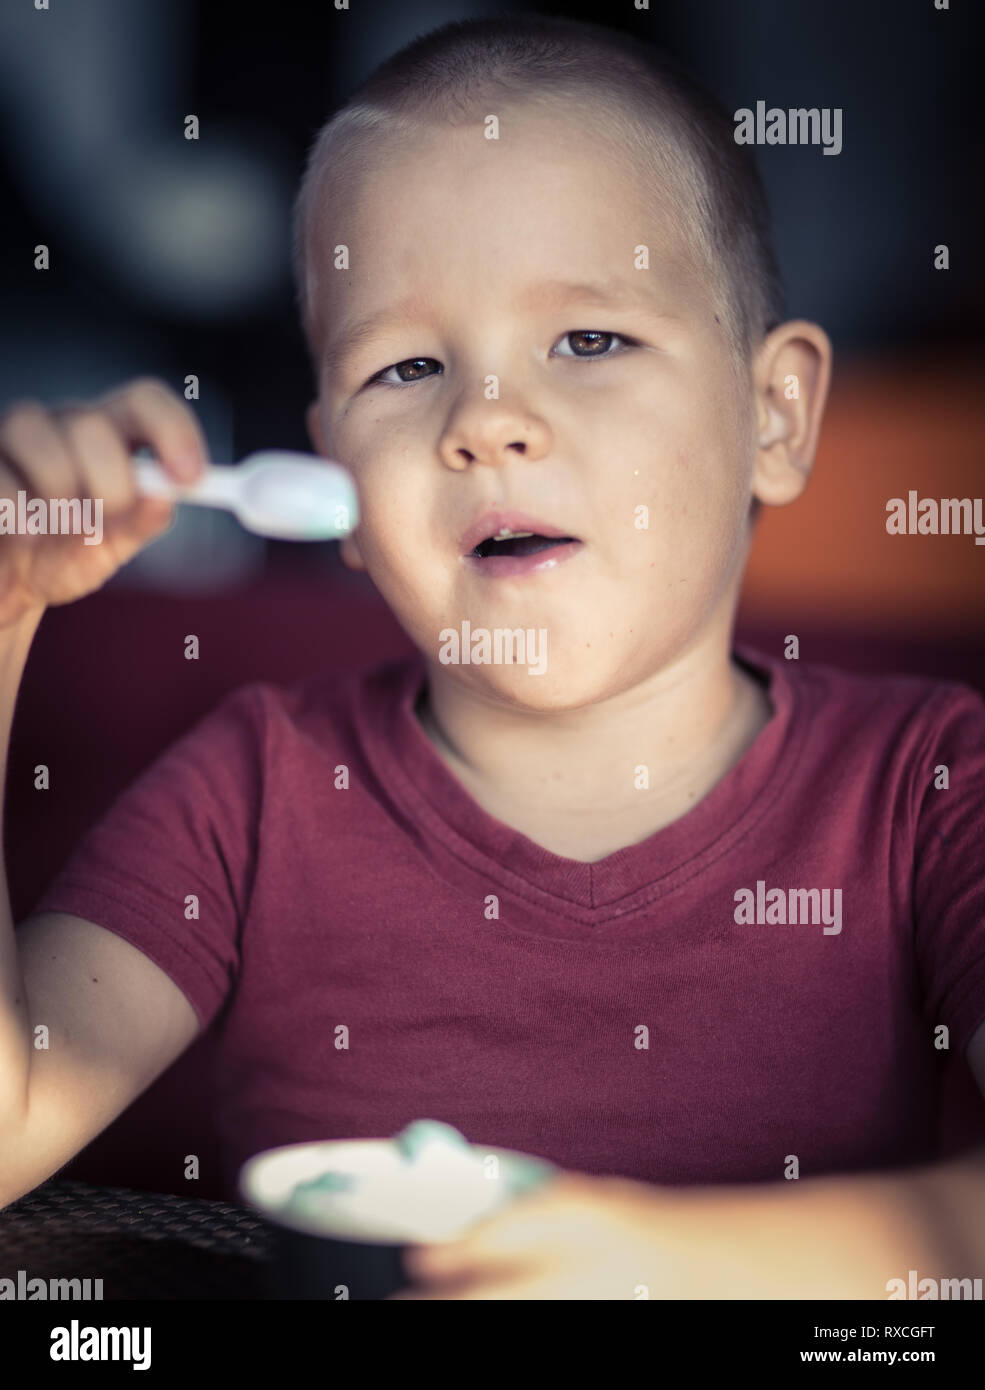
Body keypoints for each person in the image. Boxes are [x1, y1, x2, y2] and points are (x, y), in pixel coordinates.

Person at [2, 15, 983, 1299]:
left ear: (775, 416)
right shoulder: (252, 792)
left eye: (587, 341)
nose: (485, 424)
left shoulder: (928, 786)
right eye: (406, 367)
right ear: (328, 471)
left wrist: (649, 1266)